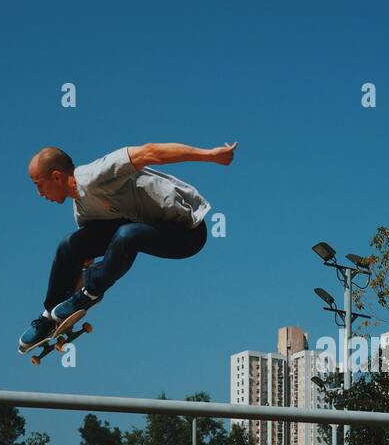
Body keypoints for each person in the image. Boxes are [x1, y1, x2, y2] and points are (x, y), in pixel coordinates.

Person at [19, 141, 236, 353]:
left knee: (127, 235)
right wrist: (64, 315)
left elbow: (150, 152)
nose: (39, 194)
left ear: (56, 176)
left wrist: (211, 155)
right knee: (71, 244)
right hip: (144, 227)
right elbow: (83, 262)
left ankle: (91, 294)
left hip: (187, 232)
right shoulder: (83, 211)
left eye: (38, 185)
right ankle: (48, 316)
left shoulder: (97, 173)